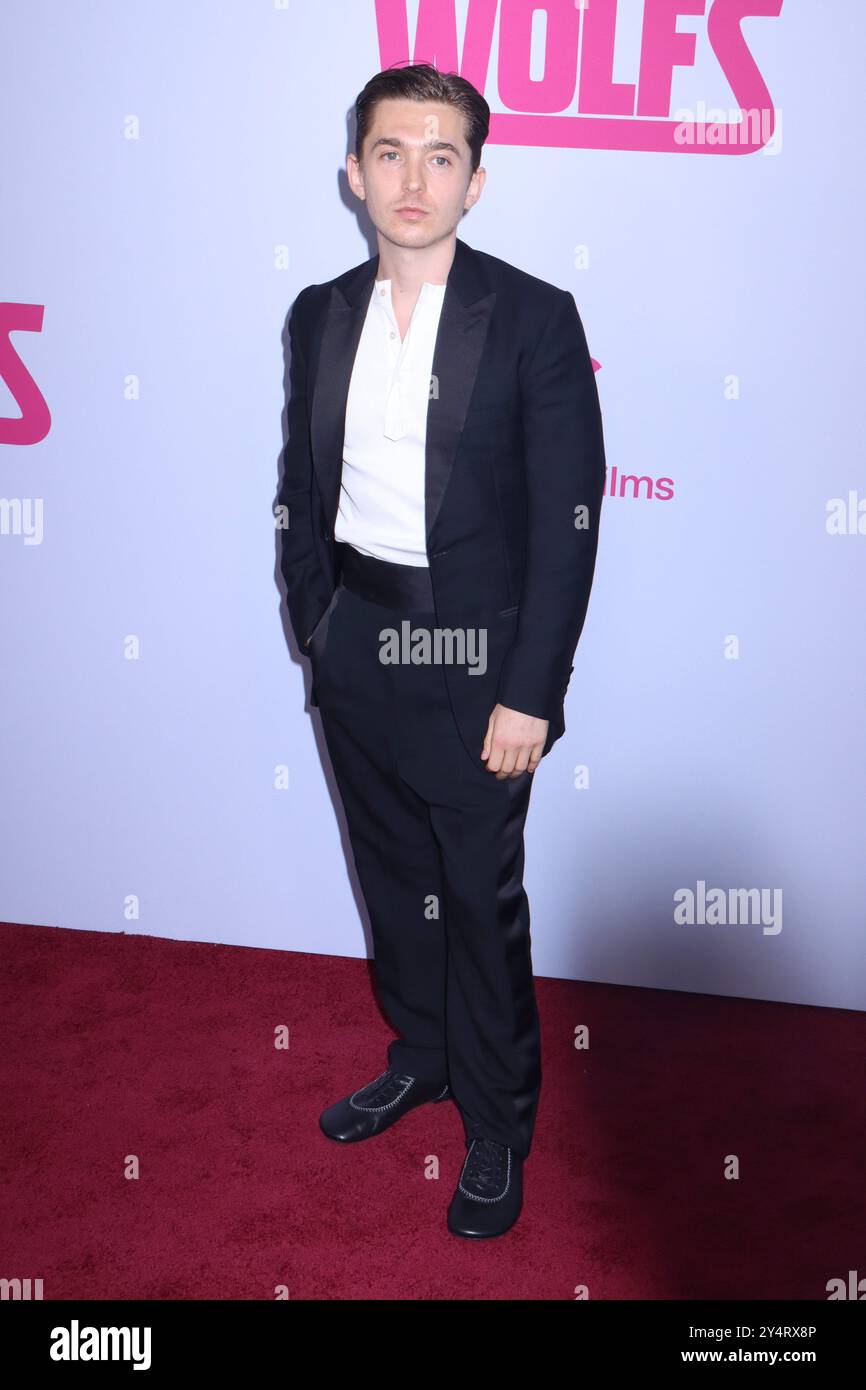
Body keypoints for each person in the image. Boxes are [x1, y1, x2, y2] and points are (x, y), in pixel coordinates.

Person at [277, 61, 606, 1238]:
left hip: (478, 663)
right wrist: (316, 623)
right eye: (389, 152)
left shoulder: (532, 316)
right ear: (354, 172)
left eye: (439, 155)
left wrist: (530, 693)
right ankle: (418, 1054)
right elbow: (298, 490)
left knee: (477, 897)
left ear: (476, 180)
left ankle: (498, 1120)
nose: (411, 177)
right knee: (392, 881)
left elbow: (568, 525)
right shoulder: (316, 311)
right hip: (354, 639)